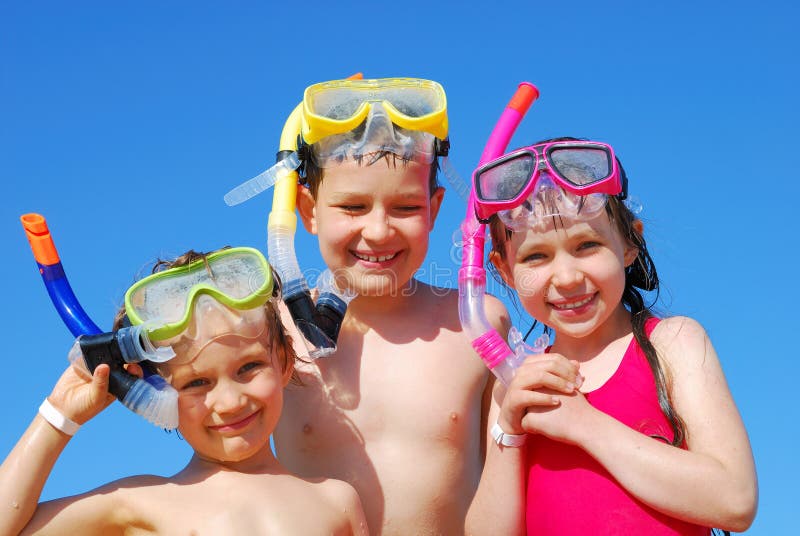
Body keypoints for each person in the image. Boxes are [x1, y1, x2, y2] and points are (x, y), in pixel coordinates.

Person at [465, 139, 758, 535]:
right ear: (504, 271)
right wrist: (510, 432)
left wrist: (585, 425)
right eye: (536, 256)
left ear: (628, 244)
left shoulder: (672, 344)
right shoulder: (515, 389)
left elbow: (734, 501)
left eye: (588, 246)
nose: (567, 278)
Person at [262, 77, 510, 534]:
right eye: (353, 207)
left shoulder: (476, 322)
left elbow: (509, 480)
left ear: (434, 210)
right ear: (308, 211)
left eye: (404, 207)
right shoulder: (273, 332)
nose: (378, 231)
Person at [0, 247, 367, 536]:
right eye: (196, 383)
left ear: (285, 361)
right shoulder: (141, 505)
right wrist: (58, 415)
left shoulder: (335, 502)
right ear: (153, 397)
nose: (230, 401)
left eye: (248, 367)